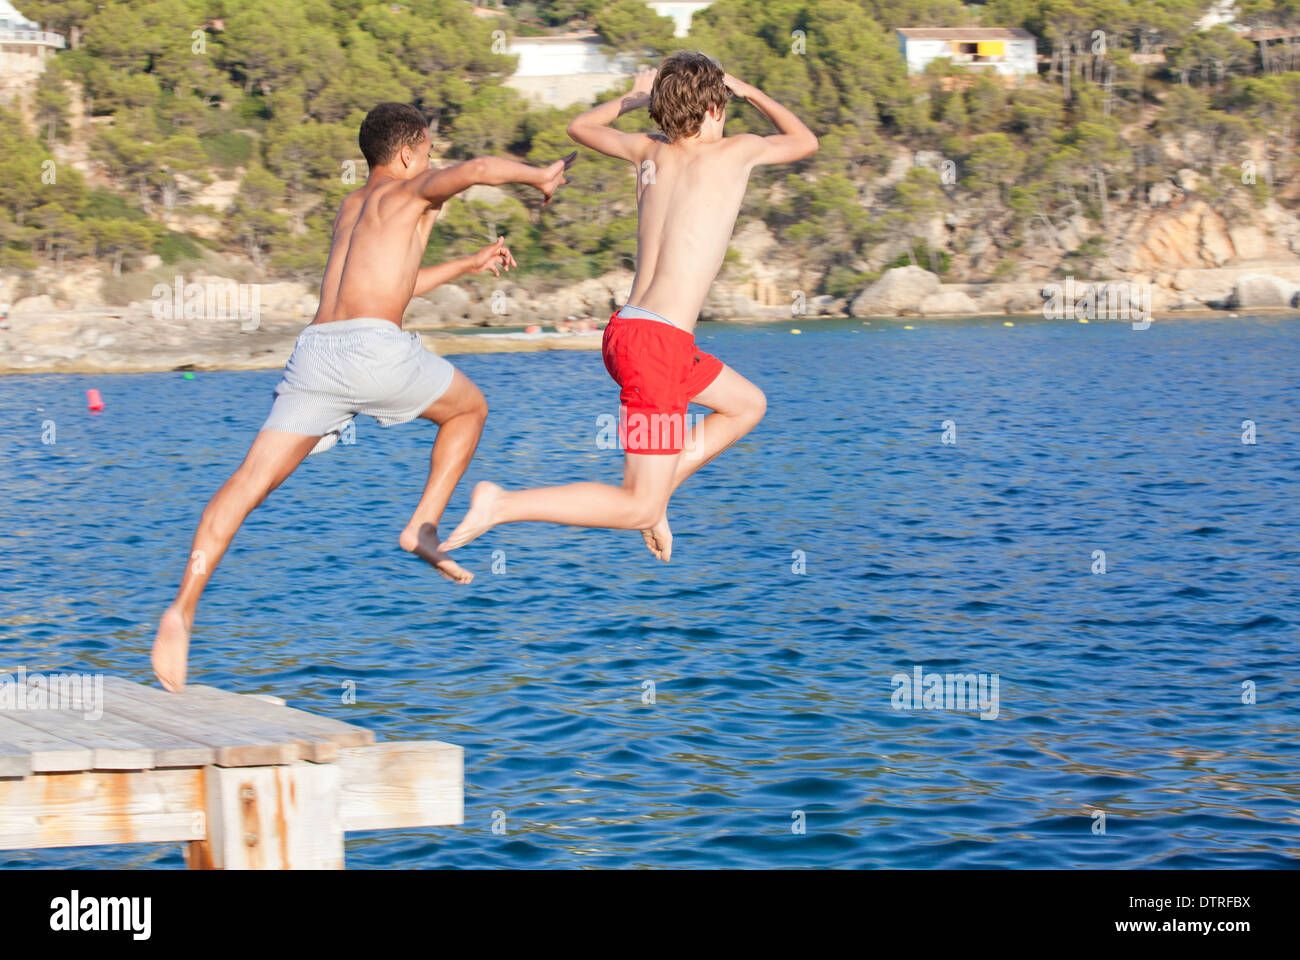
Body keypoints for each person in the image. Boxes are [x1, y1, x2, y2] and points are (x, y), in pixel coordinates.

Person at [151, 102, 574, 691]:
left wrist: (468, 264)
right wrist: (539, 176)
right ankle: (423, 526)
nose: (434, 163)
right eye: (428, 152)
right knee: (471, 410)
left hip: (315, 352)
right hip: (372, 350)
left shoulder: (351, 208)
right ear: (406, 154)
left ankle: (181, 611)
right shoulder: (416, 191)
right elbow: (477, 169)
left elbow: (391, 284)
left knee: (246, 485)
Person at [438, 52, 817, 563]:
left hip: (636, 336)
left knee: (746, 404)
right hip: (657, 348)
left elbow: (580, 126)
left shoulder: (647, 151)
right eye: (724, 101)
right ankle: (502, 503)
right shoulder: (735, 152)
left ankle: (658, 496)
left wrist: (633, 100)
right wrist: (749, 89)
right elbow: (805, 140)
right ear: (714, 106)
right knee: (635, 507)